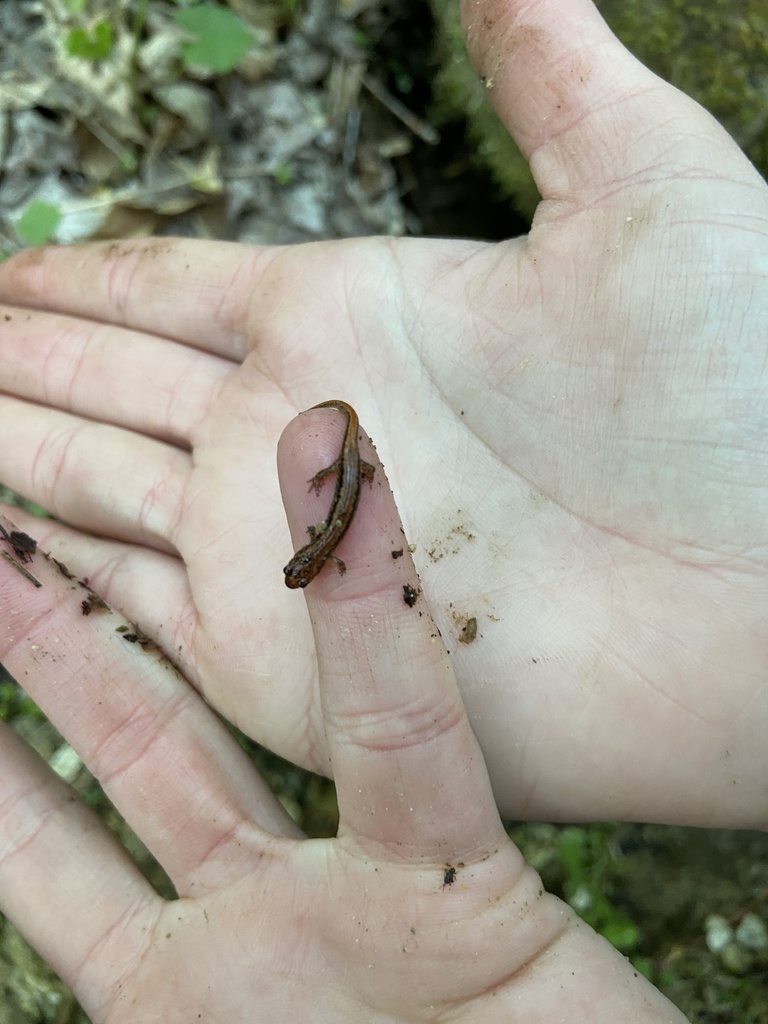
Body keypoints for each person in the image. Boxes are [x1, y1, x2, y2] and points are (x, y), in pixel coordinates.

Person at [0, 0, 765, 1019]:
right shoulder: (324, 530)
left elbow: (334, 527)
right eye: (299, 569)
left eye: (299, 568)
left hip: (349, 480)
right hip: (346, 479)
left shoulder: (329, 529)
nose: (301, 570)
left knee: (338, 503)